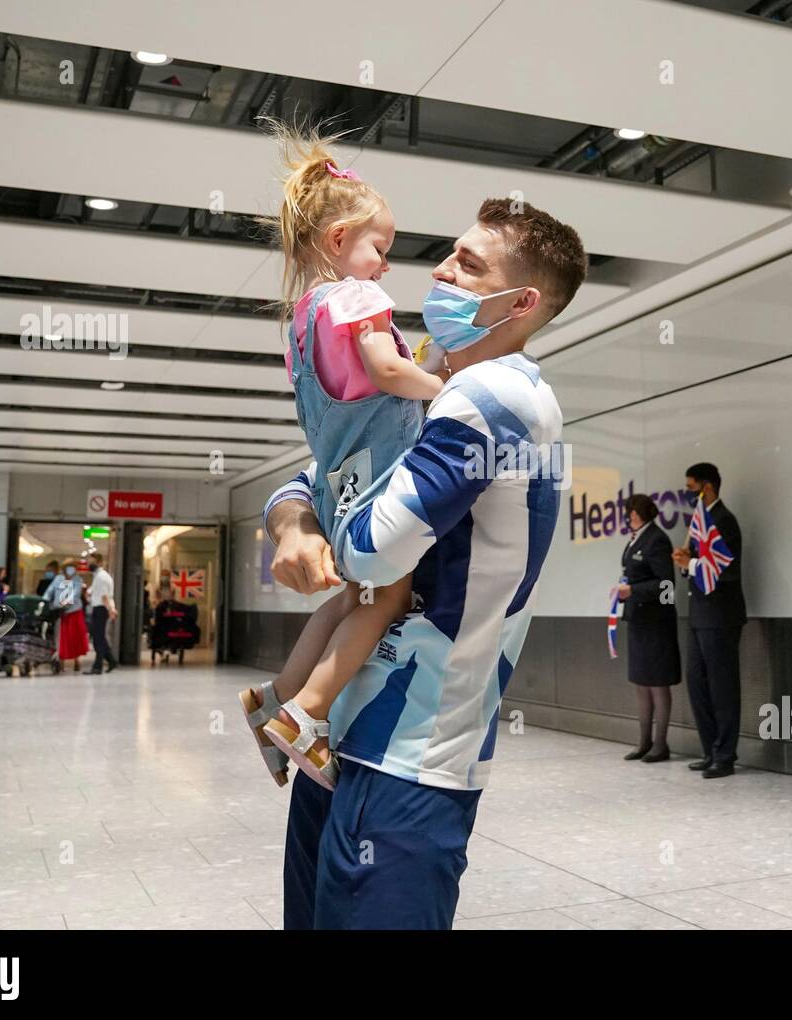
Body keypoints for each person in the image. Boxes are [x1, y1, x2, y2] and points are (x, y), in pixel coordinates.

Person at [262, 197, 586, 929]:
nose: (440, 268)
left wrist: (315, 515)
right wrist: (292, 523)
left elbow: (371, 545)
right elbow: (311, 479)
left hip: (410, 753)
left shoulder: (494, 396)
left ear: (522, 301)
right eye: (450, 252)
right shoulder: (425, 375)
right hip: (338, 740)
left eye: (469, 264)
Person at [238, 127, 446, 790]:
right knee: (388, 599)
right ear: (339, 242)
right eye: (379, 247)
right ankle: (307, 714)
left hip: (337, 494)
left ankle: (274, 697)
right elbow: (387, 370)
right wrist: (440, 387)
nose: (385, 263)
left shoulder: (303, 318)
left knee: (351, 598)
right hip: (380, 490)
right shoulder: (360, 297)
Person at [672, 462, 747, 779]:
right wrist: (685, 564)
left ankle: (725, 754)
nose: (687, 495)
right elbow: (698, 568)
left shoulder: (724, 522)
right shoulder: (699, 523)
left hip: (720, 615)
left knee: (722, 687)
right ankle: (710, 749)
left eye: (691, 488)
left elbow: (726, 570)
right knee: (698, 683)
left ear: (707, 487)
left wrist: (694, 562)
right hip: (699, 616)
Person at [618, 494, 681, 762]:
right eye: (629, 511)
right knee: (641, 682)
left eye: (635, 511)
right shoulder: (635, 538)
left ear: (645, 512)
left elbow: (666, 584)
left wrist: (633, 589)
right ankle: (643, 741)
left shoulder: (656, 538)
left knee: (657, 683)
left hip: (656, 620)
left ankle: (661, 744)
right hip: (638, 620)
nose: (631, 516)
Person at [43, 560, 88, 672]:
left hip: (74, 612)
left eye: (72, 567)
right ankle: (61, 661)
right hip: (60, 613)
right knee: (61, 638)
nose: (70, 569)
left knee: (74, 637)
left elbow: (76, 593)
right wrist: (43, 601)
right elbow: (49, 591)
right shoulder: (59, 579)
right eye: (68, 567)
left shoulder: (77, 580)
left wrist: (66, 601)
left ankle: (76, 661)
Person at [84, 552, 117, 674]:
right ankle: (111, 661)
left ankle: (98, 666)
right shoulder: (98, 576)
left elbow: (105, 597)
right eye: (89, 562)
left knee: (98, 638)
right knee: (99, 637)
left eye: (92, 562)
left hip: (101, 609)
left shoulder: (101, 577)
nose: (89, 564)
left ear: (99, 562)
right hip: (98, 608)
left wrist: (110, 610)